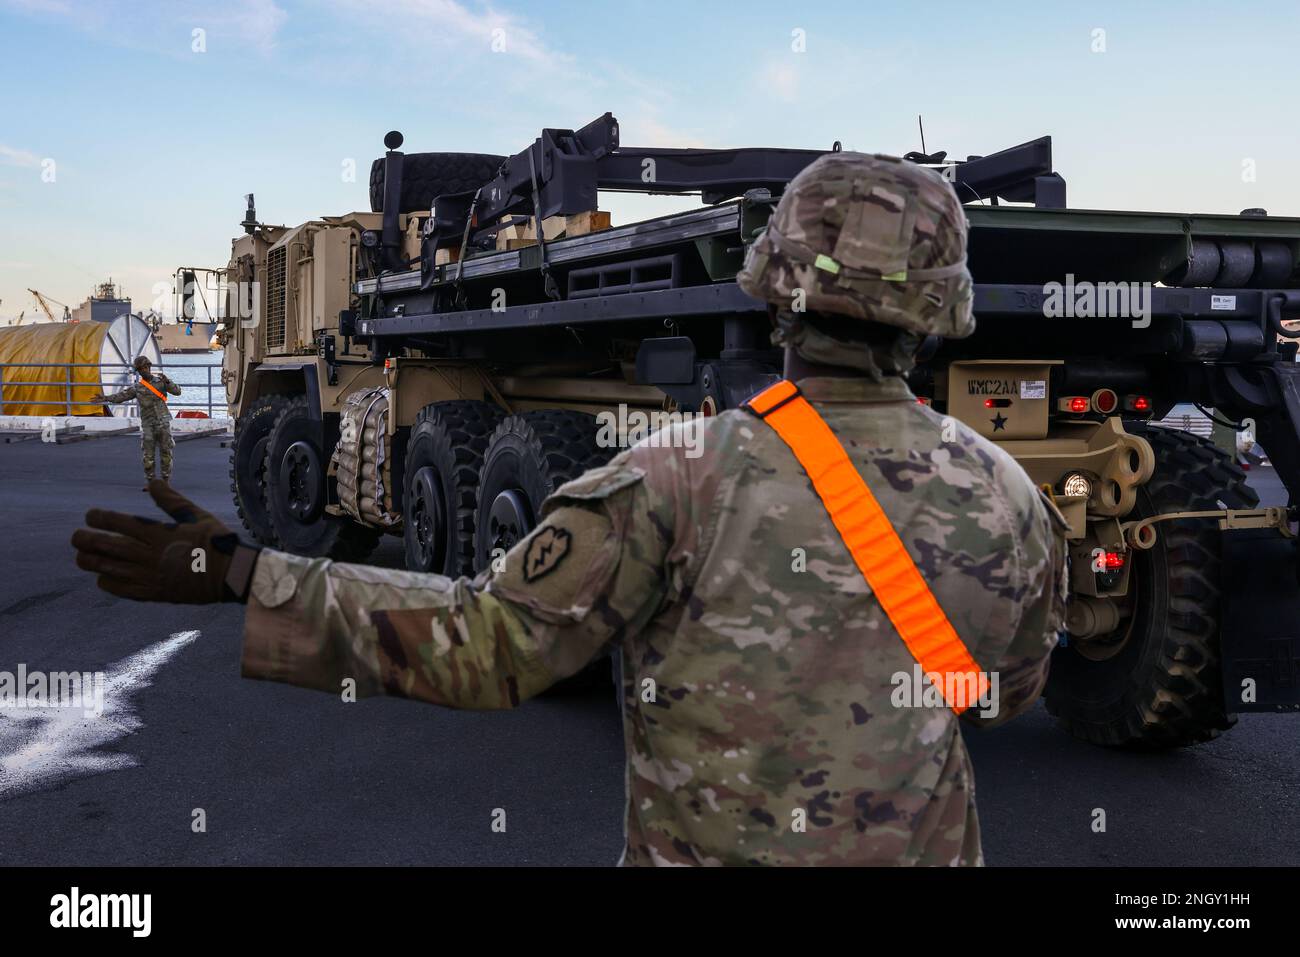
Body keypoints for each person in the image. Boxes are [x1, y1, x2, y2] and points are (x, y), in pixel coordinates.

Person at [71, 152, 1067, 866]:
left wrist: (243, 571)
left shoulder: (671, 481)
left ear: (773, 294)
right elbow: (1003, 692)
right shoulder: (1011, 498)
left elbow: (485, 647)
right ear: (937, 314)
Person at [90, 355, 182, 489]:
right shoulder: (137, 387)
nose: (143, 371)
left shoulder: (161, 382)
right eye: (140, 369)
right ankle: (151, 481)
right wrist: (106, 398)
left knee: (166, 452)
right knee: (148, 455)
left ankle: (165, 480)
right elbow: (121, 396)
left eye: (144, 368)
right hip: (148, 424)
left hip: (163, 422)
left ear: (149, 367)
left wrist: (168, 382)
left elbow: (177, 392)